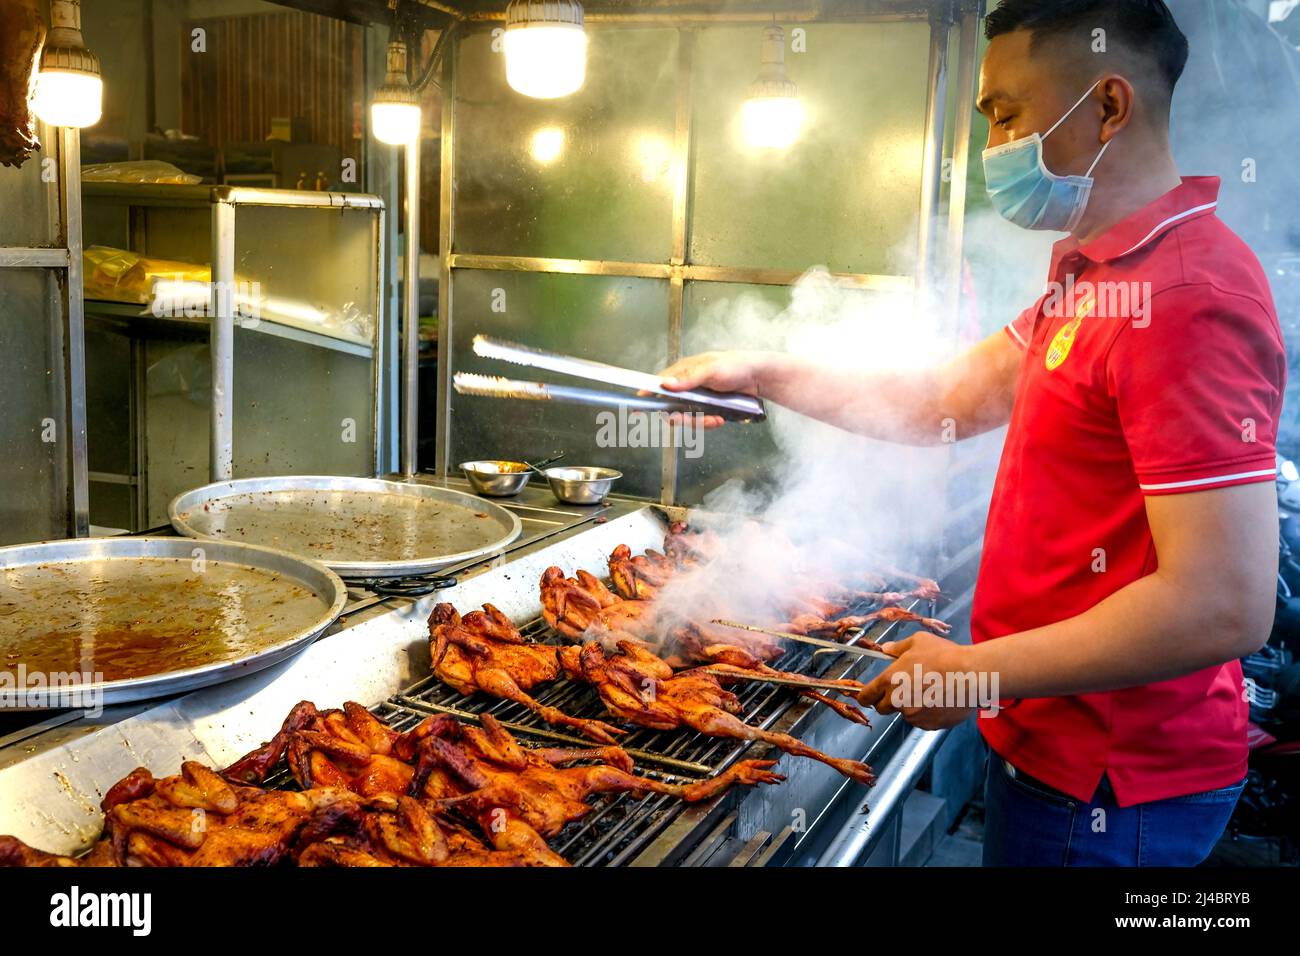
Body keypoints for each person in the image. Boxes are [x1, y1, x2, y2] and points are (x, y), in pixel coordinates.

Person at [657, 0, 1285, 866]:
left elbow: (1222, 601)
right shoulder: (1097, 273)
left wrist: (977, 670)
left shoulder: (1187, 298)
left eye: (1006, 115)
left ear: (1108, 105)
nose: (994, 149)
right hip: (1052, 750)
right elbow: (942, 400)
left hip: (1113, 784)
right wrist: (763, 372)